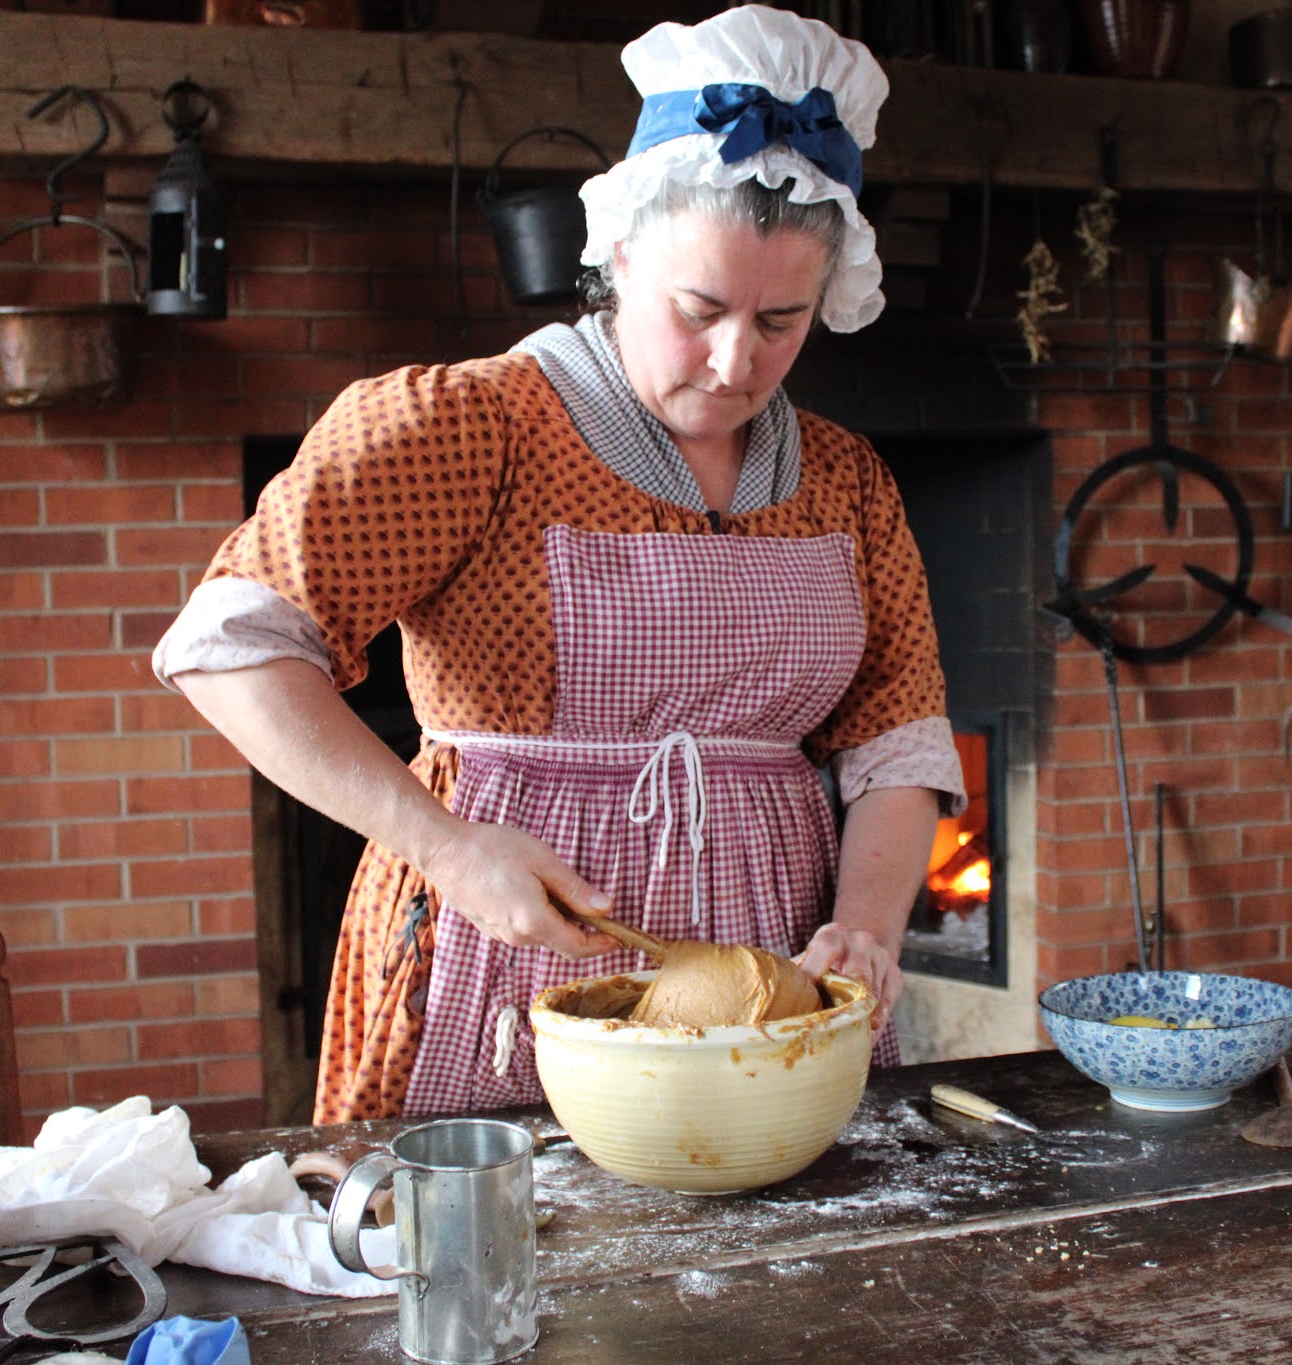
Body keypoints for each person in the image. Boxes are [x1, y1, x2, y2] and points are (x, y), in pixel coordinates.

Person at [153, 4, 965, 1123]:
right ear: (620, 254)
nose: (736, 362)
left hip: (769, 963)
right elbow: (230, 647)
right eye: (700, 309)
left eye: (781, 320)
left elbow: (897, 738)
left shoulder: (844, 481)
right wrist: (442, 849)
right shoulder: (469, 427)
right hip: (511, 942)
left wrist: (865, 927)